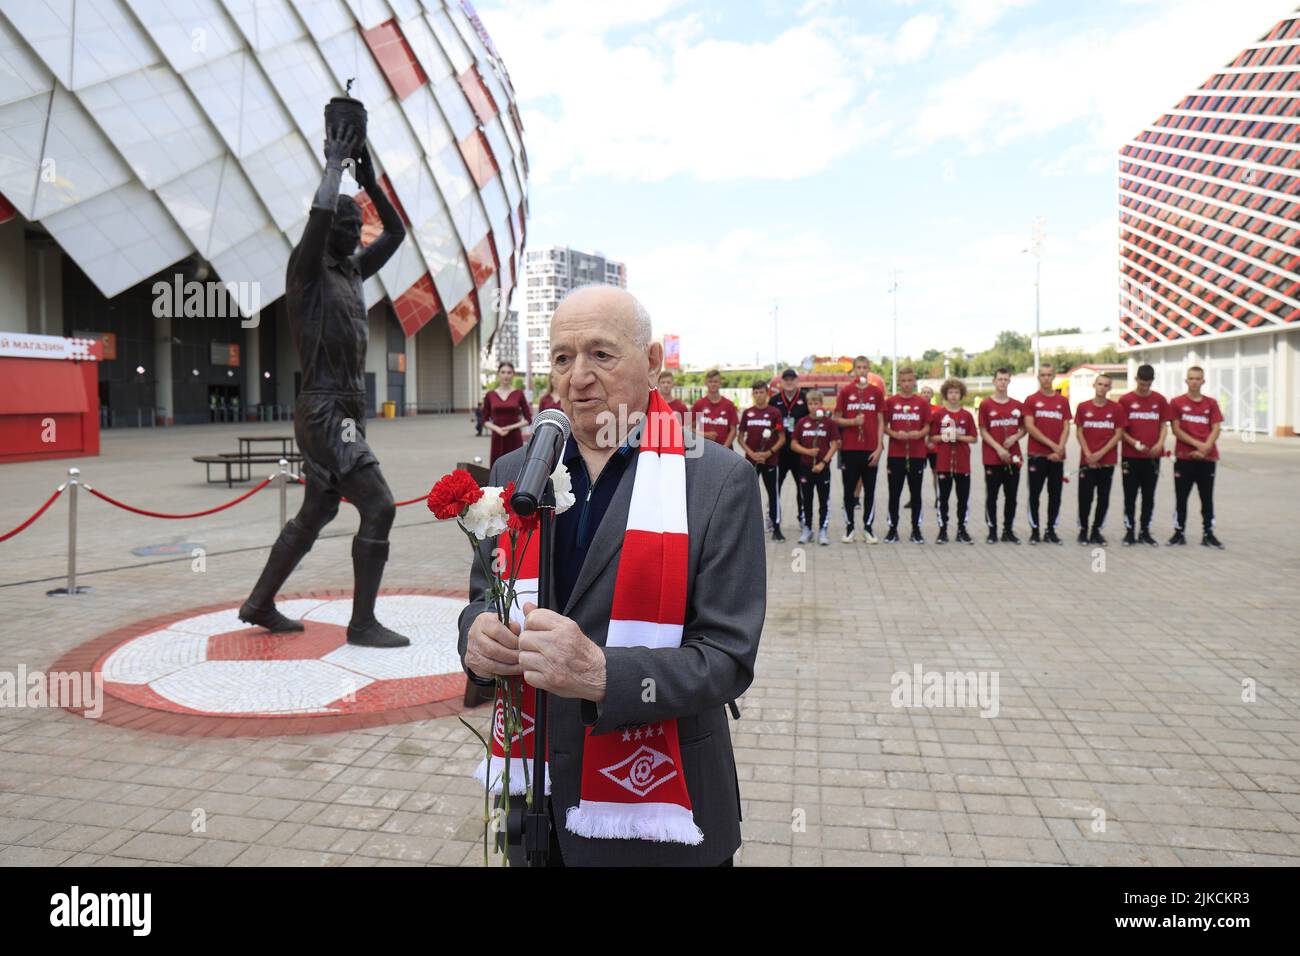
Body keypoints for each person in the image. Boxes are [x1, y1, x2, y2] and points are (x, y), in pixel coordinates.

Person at [458, 285, 764, 866]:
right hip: (535, 795)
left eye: (601, 354)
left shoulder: (719, 481)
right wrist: (475, 636)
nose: (578, 377)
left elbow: (728, 657)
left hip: (664, 817)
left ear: (652, 363)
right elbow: (482, 597)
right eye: (562, 358)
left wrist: (605, 676)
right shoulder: (515, 471)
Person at [238, 120, 410, 647]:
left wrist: (371, 180)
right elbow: (318, 213)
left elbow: (397, 234)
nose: (356, 231)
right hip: (324, 412)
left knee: (319, 508)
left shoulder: (353, 272)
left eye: (358, 223)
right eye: (347, 223)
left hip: (347, 410)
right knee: (379, 504)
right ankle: (361, 625)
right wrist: (335, 162)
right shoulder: (307, 268)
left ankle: (260, 602)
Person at [1169, 366, 1225, 549]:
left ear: (1203, 381)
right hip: (1184, 458)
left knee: (1206, 498)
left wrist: (1205, 447)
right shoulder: (1176, 402)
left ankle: (1208, 533)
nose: (1194, 381)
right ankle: (1179, 533)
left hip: (1207, 459)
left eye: (1198, 378)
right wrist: (1197, 444)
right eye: (1191, 378)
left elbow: (1216, 427)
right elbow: (1176, 429)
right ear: (1186, 381)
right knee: (1181, 498)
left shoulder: (1211, 403)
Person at [833, 356, 885, 543]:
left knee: (869, 490)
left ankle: (868, 528)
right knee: (849, 491)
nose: (862, 371)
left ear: (868, 370)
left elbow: (880, 421)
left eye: (865, 368)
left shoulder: (876, 392)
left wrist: (879, 447)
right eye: (859, 368)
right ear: (853, 370)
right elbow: (836, 418)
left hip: (870, 449)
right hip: (850, 448)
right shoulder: (846, 392)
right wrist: (852, 422)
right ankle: (849, 528)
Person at [1117, 364, 1169, 547]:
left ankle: (1145, 531)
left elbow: (1164, 425)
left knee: (1149, 495)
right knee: (1130, 495)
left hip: (1152, 457)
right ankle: (1129, 531)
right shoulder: (1125, 400)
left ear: (1152, 382)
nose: (1144, 387)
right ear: (1136, 380)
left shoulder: (1160, 400)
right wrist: (1134, 443)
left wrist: (1160, 444)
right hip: (1131, 457)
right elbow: (1120, 430)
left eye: (1147, 384)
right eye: (1141, 383)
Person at [1073, 373, 1127, 546]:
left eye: (1106, 385)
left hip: (1107, 461)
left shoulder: (1116, 408)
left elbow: (1118, 434)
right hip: (1087, 461)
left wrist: (1101, 453)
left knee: (1103, 498)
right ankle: (1083, 530)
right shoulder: (1083, 407)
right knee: (1085, 497)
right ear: (1094, 385)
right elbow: (1079, 431)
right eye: (1100, 384)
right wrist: (1088, 453)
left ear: (1110, 388)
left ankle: (1096, 530)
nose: (1102, 388)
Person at [1023, 363, 1071, 545]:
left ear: (1054, 377)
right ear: (1038, 378)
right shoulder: (1031, 400)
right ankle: (1035, 531)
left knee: (1055, 495)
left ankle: (1051, 530)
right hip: (1037, 455)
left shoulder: (1062, 401)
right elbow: (1029, 426)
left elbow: (1067, 426)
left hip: (1057, 457)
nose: (1046, 378)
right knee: (1034, 495)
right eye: (1042, 375)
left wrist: (1060, 447)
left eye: (1049, 375)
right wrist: (1053, 445)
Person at [883, 368, 931, 543]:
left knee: (916, 494)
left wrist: (919, 434)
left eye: (910, 380)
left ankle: (916, 530)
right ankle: (892, 529)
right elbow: (884, 425)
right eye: (903, 381)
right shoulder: (891, 402)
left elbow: (927, 426)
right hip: (896, 454)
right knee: (894, 494)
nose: (906, 384)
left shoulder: (922, 403)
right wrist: (894, 434)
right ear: (899, 382)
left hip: (917, 455)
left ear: (914, 381)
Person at [978, 368, 1025, 544]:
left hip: (1013, 458)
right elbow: (983, 430)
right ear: (994, 381)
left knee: (1011, 496)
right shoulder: (985, 405)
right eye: (999, 379)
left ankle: (1008, 530)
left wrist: (1014, 437)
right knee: (992, 496)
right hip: (993, 458)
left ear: (1009, 382)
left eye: (1006, 379)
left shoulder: (1017, 405)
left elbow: (1024, 428)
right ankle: (992, 531)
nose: (1002, 382)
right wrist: (998, 448)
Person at [928, 378, 977, 544]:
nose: (954, 395)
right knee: (944, 499)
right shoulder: (939, 415)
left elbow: (974, 438)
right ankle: (942, 530)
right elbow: (932, 437)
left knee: (963, 499)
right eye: (950, 392)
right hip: (943, 463)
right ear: (945, 394)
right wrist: (944, 436)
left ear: (961, 394)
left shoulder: (967, 415)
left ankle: (962, 529)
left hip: (963, 464)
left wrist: (959, 436)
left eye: (957, 392)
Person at [789, 389, 839, 546]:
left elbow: (835, 444)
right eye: (810, 403)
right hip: (805, 468)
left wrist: (823, 462)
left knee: (824, 500)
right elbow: (793, 444)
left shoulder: (828, 423)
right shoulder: (802, 422)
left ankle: (823, 530)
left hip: (822, 468)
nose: (813, 406)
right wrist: (808, 452)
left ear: (821, 404)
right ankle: (808, 529)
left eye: (816, 403)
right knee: (806, 500)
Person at [738, 381, 787, 541]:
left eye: (761, 392)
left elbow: (781, 438)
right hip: (751, 461)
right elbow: (740, 438)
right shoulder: (748, 413)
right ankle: (747, 530)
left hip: (770, 460)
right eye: (756, 392)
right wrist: (751, 453)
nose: (759, 395)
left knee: (773, 494)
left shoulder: (774, 412)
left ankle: (776, 528)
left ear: (767, 394)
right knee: (748, 495)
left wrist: (769, 452)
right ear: (753, 394)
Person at [770, 368, 810, 533]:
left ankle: (802, 517)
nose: (789, 381)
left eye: (791, 379)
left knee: (801, 487)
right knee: (775, 487)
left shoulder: (805, 399)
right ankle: (772, 518)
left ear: (797, 380)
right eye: (786, 379)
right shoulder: (774, 400)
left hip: (799, 452)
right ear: (781, 381)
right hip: (780, 452)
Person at [482, 361, 533, 466]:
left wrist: (509, 427)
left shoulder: (519, 393)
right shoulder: (490, 395)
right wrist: (497, 429)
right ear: (498, 374)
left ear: (513, 374)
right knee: (498, 469)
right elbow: (484, 420)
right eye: (503, 372)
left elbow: (528, 419)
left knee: (516, 468)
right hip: (497, 437)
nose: (506, 375)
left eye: (509, 372)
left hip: (514, 437)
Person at [691, 369, 738, 447]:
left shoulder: (729, 404)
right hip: (703, 450)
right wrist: (705, 435)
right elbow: (688, 428)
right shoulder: (698, 404)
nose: (713, 384)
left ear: (720, 383)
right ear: (706, 383)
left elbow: (733, 430)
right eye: (710, 381)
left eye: (715, 381)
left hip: (725, 451)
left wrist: (724, 449)